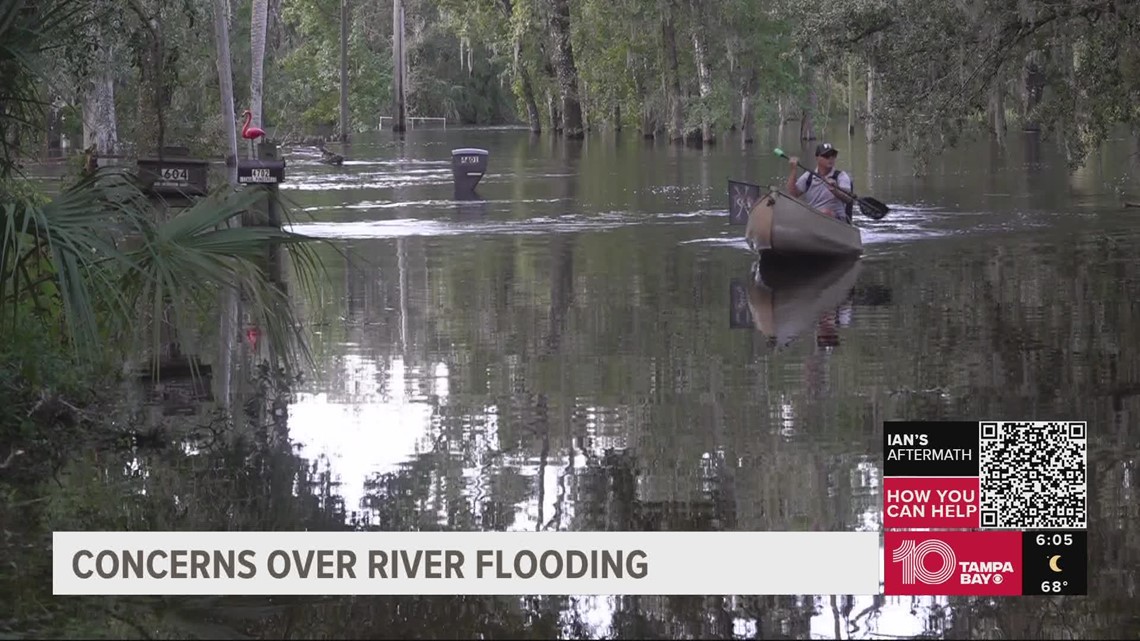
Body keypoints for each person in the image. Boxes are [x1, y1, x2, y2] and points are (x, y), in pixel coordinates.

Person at [786, 143, 855, 222]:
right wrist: (793, 170)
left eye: (833, 155)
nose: (830, 158)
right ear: (817, 158)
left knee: (825, 213)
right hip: (813, 219)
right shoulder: (809, 176)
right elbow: (793, 194)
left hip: (837, 221)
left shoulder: (841, 176)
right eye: (826, 155)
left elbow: (848, 199)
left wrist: (835, 190)